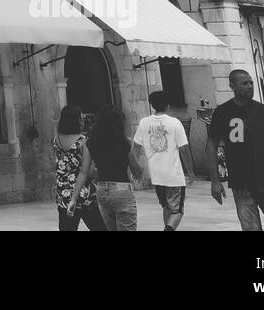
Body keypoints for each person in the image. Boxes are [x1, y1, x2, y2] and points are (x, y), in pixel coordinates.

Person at [207, 68, 264, 231]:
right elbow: (211, 145)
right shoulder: (222, 112)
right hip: (241, 182)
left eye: (251, 83)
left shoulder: (263, 111)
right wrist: (215, 181)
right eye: (244, 83)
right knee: (251, 228)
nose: (249, 86)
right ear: (232, 86)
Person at [70, 105, 141, 231]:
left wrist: (74, 199)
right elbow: (137, 172)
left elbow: (85, 172)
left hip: (102, 190)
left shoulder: (90, 143)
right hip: (122, 189)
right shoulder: (125, 142)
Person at [134, 90, 190, 230]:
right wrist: (190, 171)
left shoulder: (144, 123)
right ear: (168, 105)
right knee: (177, 211)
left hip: (156, 175)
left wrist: (134, 167)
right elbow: (183, 148)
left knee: (166, 207)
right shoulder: (174, 123)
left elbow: (136, 146)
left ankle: (167, 227)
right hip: (173, 175)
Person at [53, 104, 105, 230]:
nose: (83, 120)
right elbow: (89, 171)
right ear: (76, 121)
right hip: (83, 193)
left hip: (63, 193)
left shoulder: (55, 140)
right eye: (80, 118)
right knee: (98, 227)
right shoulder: (83, 141)